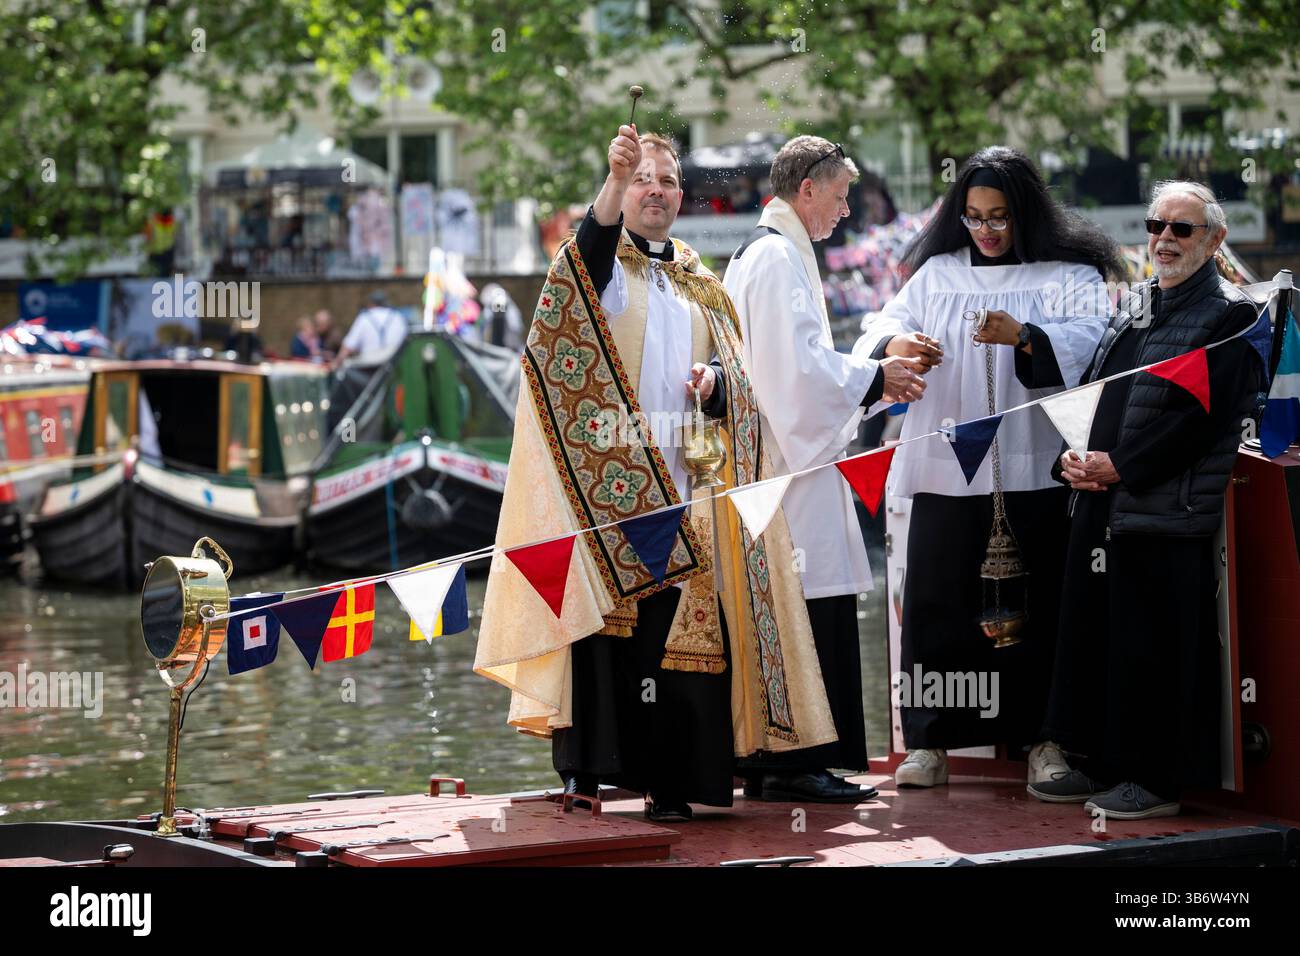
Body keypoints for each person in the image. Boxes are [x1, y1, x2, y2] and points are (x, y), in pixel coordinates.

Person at [475, 124, 838, 822]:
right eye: (642, 179)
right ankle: (586, 774)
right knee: (601, 638)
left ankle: (671, 782)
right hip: (607, 486)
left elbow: (744, 388)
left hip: (687, 490)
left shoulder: (701, 283)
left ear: (680, 195)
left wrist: (717, 389)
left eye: (667, 180)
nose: (656, 190)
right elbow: (578, 284)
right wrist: (609, 185)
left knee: (678, 646)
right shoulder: (604, 270)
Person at [854, 145, 1123, 788]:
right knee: (937, 604)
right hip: (946, 463)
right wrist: (897, 343)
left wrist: (1027, 337)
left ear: (1024, 211)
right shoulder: (937, 273)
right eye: (974, 217)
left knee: (1039, 608)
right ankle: (930, 742)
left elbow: (1093, 341)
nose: (987, 230)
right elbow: (881, 324)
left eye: (999, 216)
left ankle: (1046, 743)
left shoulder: (1068, 273)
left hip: (1035, 467)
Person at [1029, 181, 1263, 818]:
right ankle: (1102, 764)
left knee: (1153, 648)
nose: (1165, 239)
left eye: (1182, 229)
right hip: (1104, 502)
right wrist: (1072, 456)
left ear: (1214, 241)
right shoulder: (1133, 310)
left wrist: (1121, 467)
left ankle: (1156, 782)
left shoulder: (1231, 318)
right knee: (1098, 641)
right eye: (1157, 225)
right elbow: (1097, 397)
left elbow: (1197, 421)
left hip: (1167, 508)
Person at [724, 136, 926, 802]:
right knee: (807, 606)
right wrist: (875, 378)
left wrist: (864, 381)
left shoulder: (769, 251)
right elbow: (798, 375)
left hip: (779, 465)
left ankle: (775, 762)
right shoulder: (778, 258)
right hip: (788, 470)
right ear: (806, 189)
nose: (846, 212)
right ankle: (795, 764)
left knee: (800, 608)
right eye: (840, 197)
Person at [336, 291, 407, 364]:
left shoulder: (365, 317)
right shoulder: (398, 317)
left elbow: (349, 346)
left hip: (370, 363)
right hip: (394, 361)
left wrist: (336, 363)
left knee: (346, 365)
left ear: (371, 303)